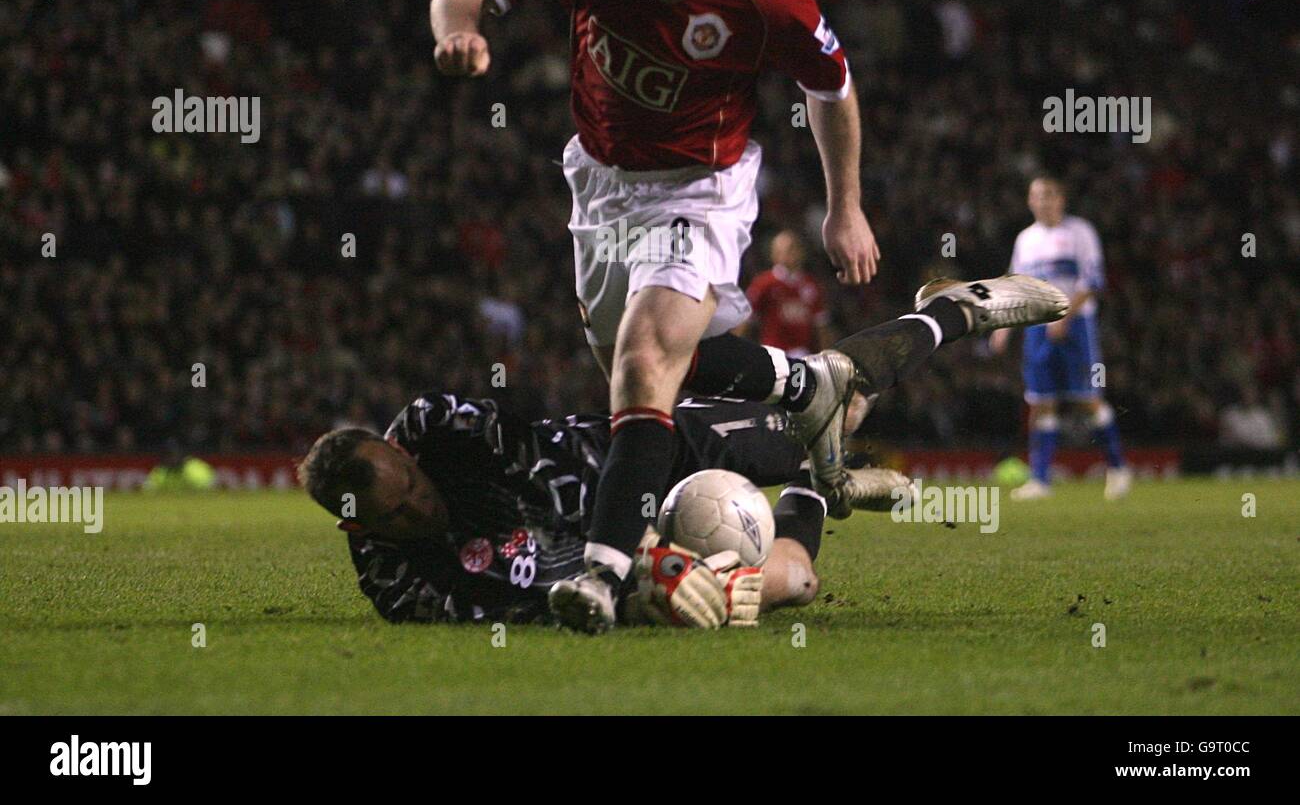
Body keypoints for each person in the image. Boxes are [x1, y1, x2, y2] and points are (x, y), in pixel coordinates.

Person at [430, 0, 879, 629]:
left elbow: (832, 87)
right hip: (600, 185)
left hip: (698, 186)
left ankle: (603, 577)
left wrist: (847, 208)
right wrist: (460, 32)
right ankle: (805, 385)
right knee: (642, 381)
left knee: (644, 361)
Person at [298, 279, 1067, 630]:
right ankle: (817, 481)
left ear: (397, 450)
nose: (419, 500)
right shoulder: (399, 584)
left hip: (646, 445)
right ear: (356, 529)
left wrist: (615, 546)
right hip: (631, 564)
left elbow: (528, 452)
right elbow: (512, 590)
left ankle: (948, 311)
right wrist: (647, 567)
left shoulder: (431, 427)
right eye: (398, 512)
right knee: (795, 582)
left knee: (842, 399)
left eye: (410, 482)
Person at [990, 177, 1132, 500]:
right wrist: (1002, 327)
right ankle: (1040, 480)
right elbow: (1017, 287)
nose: (1044, 201)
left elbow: (1093, 280)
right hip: (1037, 327)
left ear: (1062, 199)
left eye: (1050, 195)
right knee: (1041, 402)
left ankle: (1118, 468)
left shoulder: (1080, 232)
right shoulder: (1025, 239)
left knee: (1086, 399)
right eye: (1038, 196)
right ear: (1029, 201)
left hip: (1077, 325)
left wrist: (1065, 316)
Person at [746, 230, 831, 357]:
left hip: (802, 354)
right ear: (773, 254)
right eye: (782, 250)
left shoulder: (811, 285)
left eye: (792, 249)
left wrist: (826, 356)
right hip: (773, 353)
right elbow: (747, 322)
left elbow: (821, 326)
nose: (788, 254)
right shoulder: (763, 284)